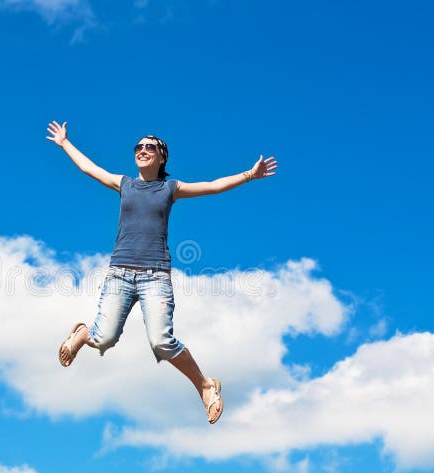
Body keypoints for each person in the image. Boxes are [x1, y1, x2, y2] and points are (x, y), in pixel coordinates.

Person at [47, 120, 277, 424]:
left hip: (154, 277)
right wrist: (65, 143)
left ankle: (206, 386)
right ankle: (83, 333)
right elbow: (90, 168)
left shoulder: (170, 188)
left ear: (161, 157)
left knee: (161, 342)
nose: (142, 150)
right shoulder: (124, 184)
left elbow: (213, 186)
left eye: (150, 147)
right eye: (138, 146)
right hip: (119, 274)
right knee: (103, 339)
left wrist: (249, 174)